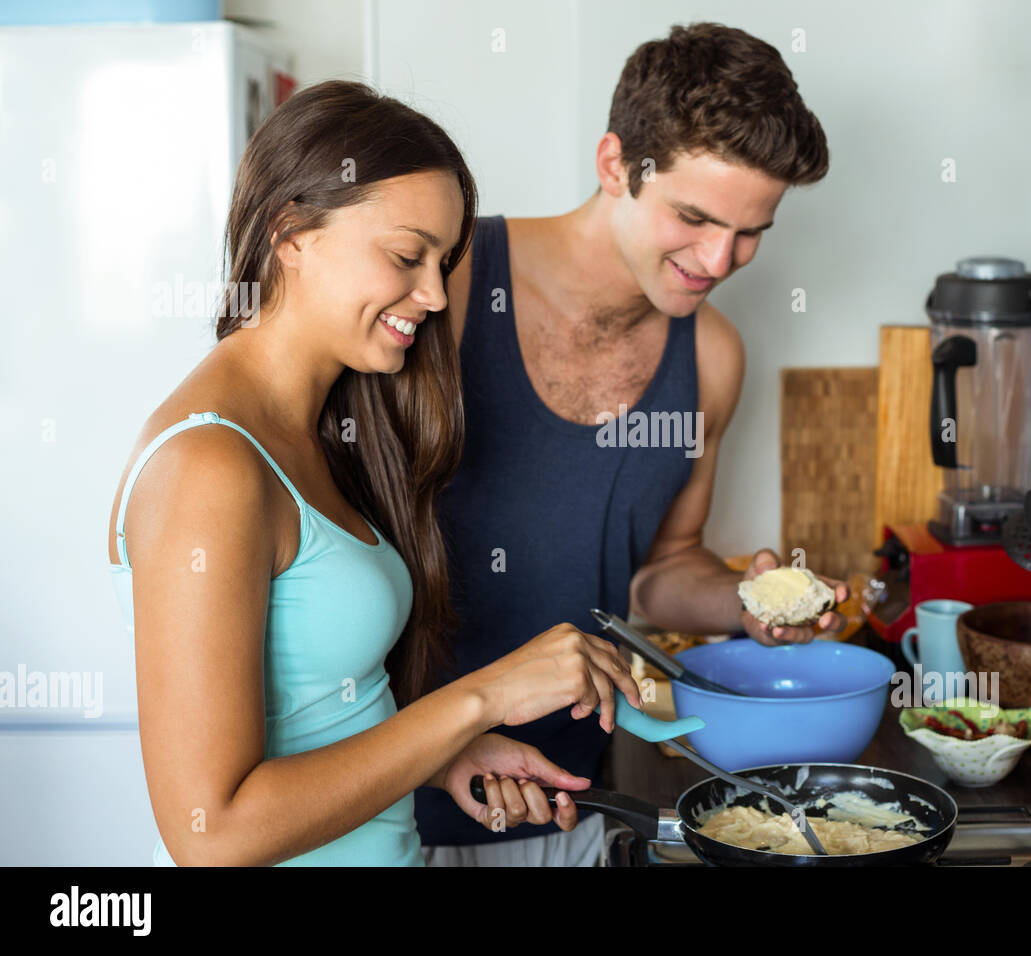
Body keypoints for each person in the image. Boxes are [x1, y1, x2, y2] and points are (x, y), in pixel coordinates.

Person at [106, 80, 640, 866]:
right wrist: (476, 700)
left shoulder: (318, 431)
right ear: (291, 232)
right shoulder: (207, 467)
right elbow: (210, 833)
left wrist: (446, 752)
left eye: (444, 260)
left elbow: (317, 712)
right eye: (406, 255)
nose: (432, 294)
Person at [417, 22, 844, 866]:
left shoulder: (714, 358)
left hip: (569, 805)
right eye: (693, 216)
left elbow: (659, 570)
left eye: (752, 230)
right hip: (395, 798)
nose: (720, 257)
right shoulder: (450, 288)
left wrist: (745, 604)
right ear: (616, 164)